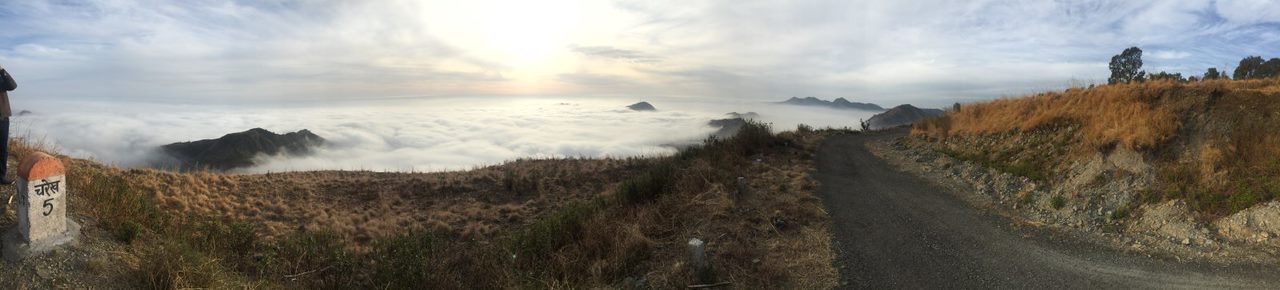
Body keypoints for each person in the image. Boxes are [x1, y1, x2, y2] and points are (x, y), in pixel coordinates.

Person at [0, 63, 15, 184]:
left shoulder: (1, 79)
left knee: (2, 149)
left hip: (3, 119)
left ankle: (1, 176)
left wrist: (2, 70)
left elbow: (13, 85)